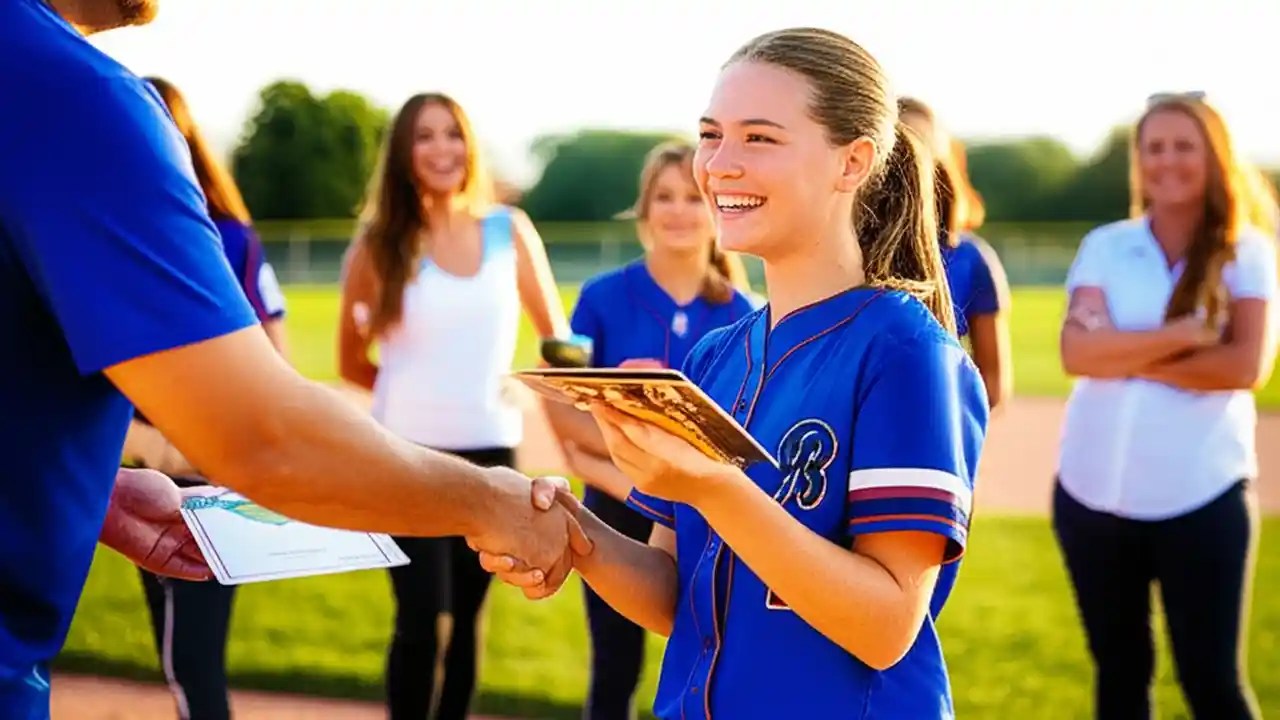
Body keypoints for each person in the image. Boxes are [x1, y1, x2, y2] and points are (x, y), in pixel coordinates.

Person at [0, 2, 581, 716]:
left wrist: (95, 494)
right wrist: (493, 500)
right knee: (420, 626)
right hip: (419, 445)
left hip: (482, 436)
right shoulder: (78, 98)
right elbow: (263, 434)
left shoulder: (509, 230)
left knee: (464, 633)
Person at [478, 27, 989, 719]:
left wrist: (715, 489)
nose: (719, 164)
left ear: (854, 161)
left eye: (760, 138)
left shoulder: (904, 351)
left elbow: (886, 627)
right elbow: (672, 593)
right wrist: (575, 536)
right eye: (711, 135)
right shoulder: (718, 355)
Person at [337, 92, 570, 720]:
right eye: (424, 137)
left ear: (470, 144)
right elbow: (349, 360)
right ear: (403, 155)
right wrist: (411, 397)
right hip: (401, 456)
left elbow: (558, 341)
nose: (441, 149)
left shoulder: (509, 232)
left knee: (467, 619)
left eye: (452, 134)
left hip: (491, 450)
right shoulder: (379, 244)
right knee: (420, 619)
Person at [1054, 92, 1274, 719]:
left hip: (1200, 498)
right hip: (1090, 496)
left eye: (1184, 146)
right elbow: (1077, 354)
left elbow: (1242, 367)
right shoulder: (1106, 244)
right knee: (1120, 677)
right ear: (1138, 160)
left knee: (1212, 683)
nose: (1167, 161)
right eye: (1154, 147)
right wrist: (1180, 338)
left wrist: (1119, 353)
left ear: (1214, 156)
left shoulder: (1247, 252)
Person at [541, 140, 756, 720]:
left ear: (719, 207)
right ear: (643, 210)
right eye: (664, 197)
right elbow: (564, 411)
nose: (679, 210)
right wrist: (619, 476)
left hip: (710, 519)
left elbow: (740, 443)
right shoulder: (599, 298)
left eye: (693, 196)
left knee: (712, 667)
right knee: (613, 671)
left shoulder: (747, 312)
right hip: (614, 510)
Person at [113, 76, 291, 720]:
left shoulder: (234, 238)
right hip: (139, 474)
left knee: (190, 657)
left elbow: (276, 360)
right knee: (179, 654)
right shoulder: (103, 232)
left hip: (213, 474)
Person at [899, 97, 1014, 411]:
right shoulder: (847, 248)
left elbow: (994, 381)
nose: (911, 159)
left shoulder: (971, 258)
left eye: (923, 145)